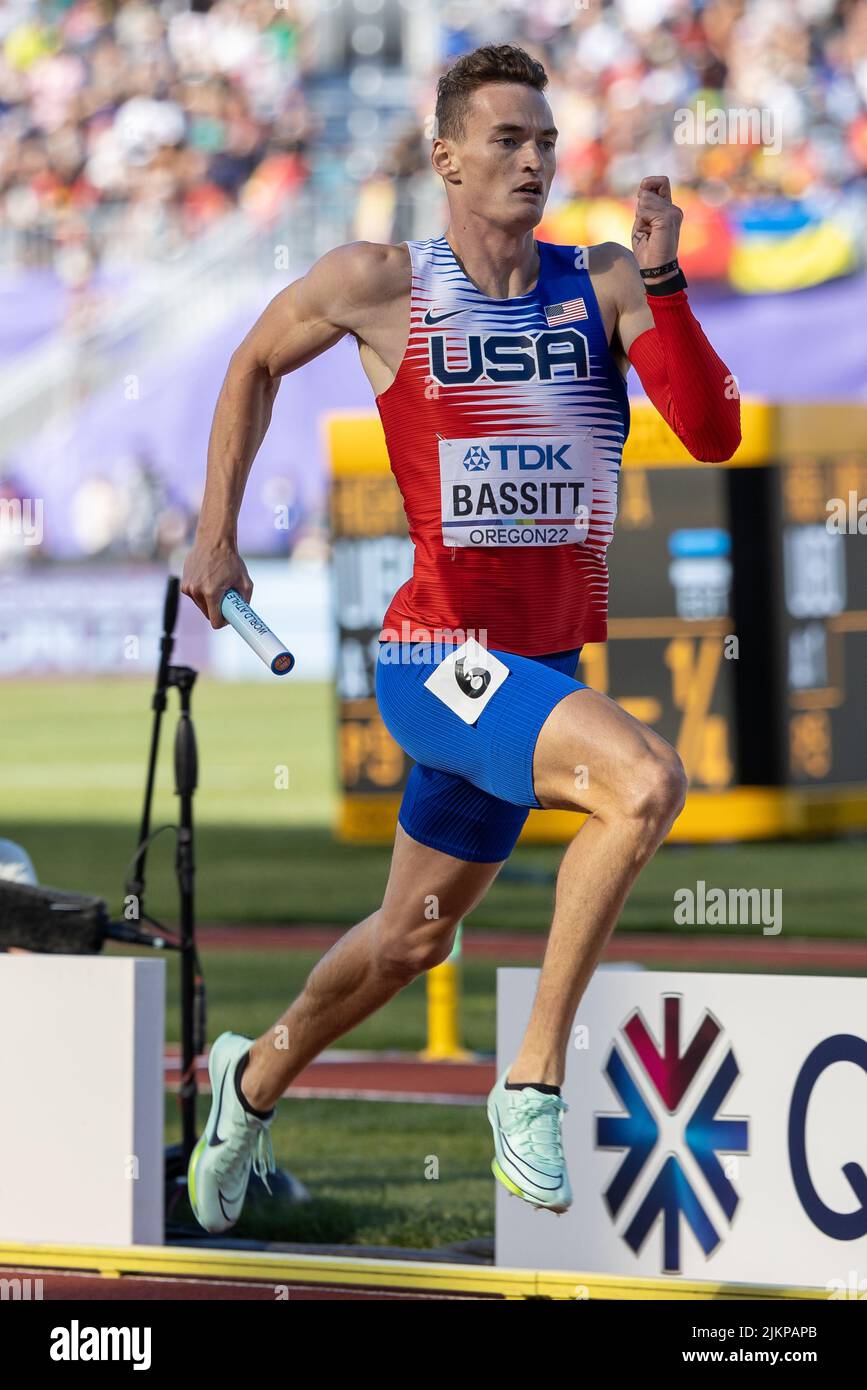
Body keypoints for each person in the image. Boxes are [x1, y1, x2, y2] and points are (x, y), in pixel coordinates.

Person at [181, 44, 740, 1232]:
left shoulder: (603, 285)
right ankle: (530, 1080)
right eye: (506, 139)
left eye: (544, 141)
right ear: (445, 156)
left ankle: (247, 1078)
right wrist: (215, 532)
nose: (533, 159)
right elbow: (251, 365)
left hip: (536, 671)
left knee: (409, 944)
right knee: (643, 786)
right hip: (439, 658)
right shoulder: (381, 281)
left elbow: (710, 432)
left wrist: (668, 278)